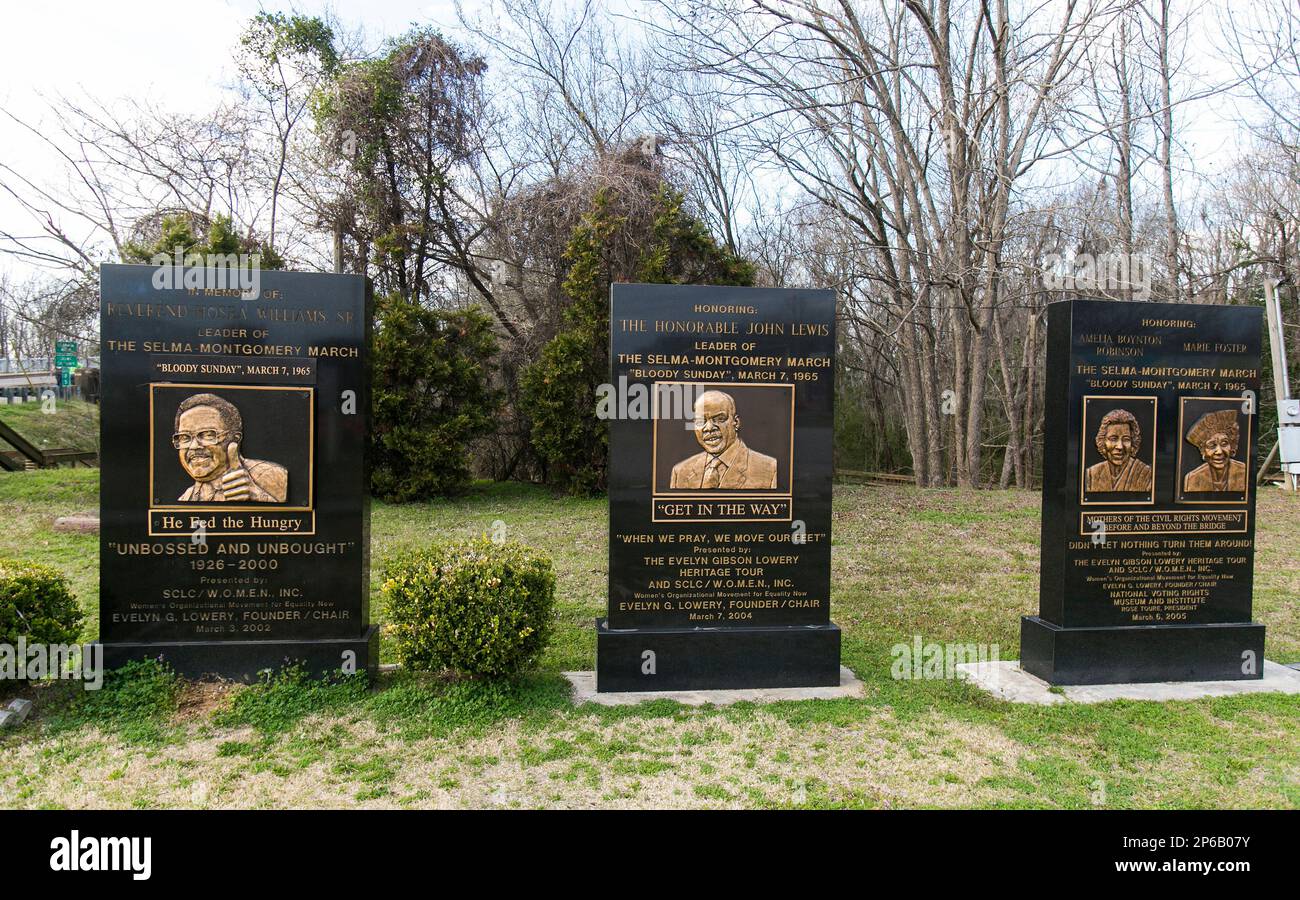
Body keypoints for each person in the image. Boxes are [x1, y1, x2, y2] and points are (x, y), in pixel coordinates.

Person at [172, 392, 287, 502]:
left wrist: (259, 497)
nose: (194, 446)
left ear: (235, 438)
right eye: (184, 438)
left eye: (208, 435)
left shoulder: (271, 476)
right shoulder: (186, 498)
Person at [670, 390, 778, 489]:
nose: (709, 428)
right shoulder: (680, 472)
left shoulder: (770, 470)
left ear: (736, 422)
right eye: (700, 421)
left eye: (719, 419)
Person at [1085, 407, 1153, 492]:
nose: (1120, 446)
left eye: (1126, 439)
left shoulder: (1146, 474)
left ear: (1133, 443)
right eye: (1113, 439)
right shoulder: (1091, 474)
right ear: (1102, 441)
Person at [1183, 408, 1247, 493]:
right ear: (1203, 451)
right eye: (1212, 445)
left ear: (1232, 446)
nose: (1219, 451)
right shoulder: (1193, 478)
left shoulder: (1243, 471)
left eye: (1224, 443)